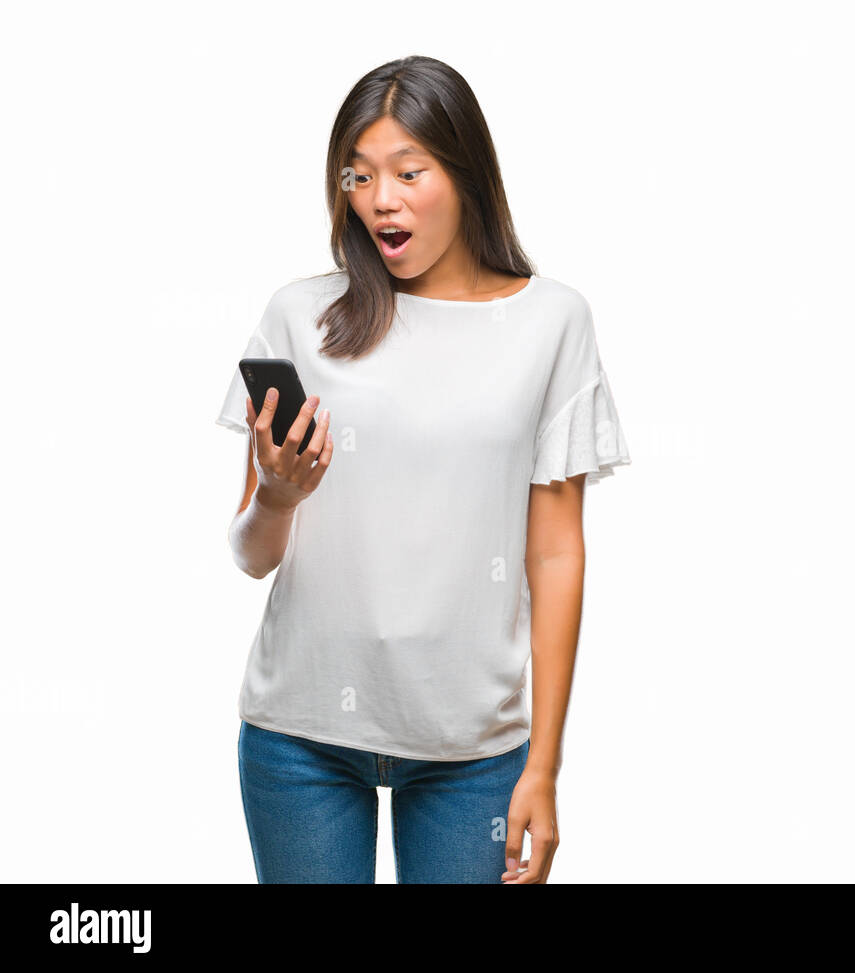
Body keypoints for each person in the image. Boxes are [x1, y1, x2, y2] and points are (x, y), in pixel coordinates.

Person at [214, 55, 630, 884]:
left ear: (467, 173)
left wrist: (542, 767)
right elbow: (251, 552)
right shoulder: (301, 317)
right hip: (298, 740)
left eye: (410, 172)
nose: (381, 200)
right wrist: (281, 494)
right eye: (359, 175)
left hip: (472, 751)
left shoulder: (551, 322)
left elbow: (555, 554)